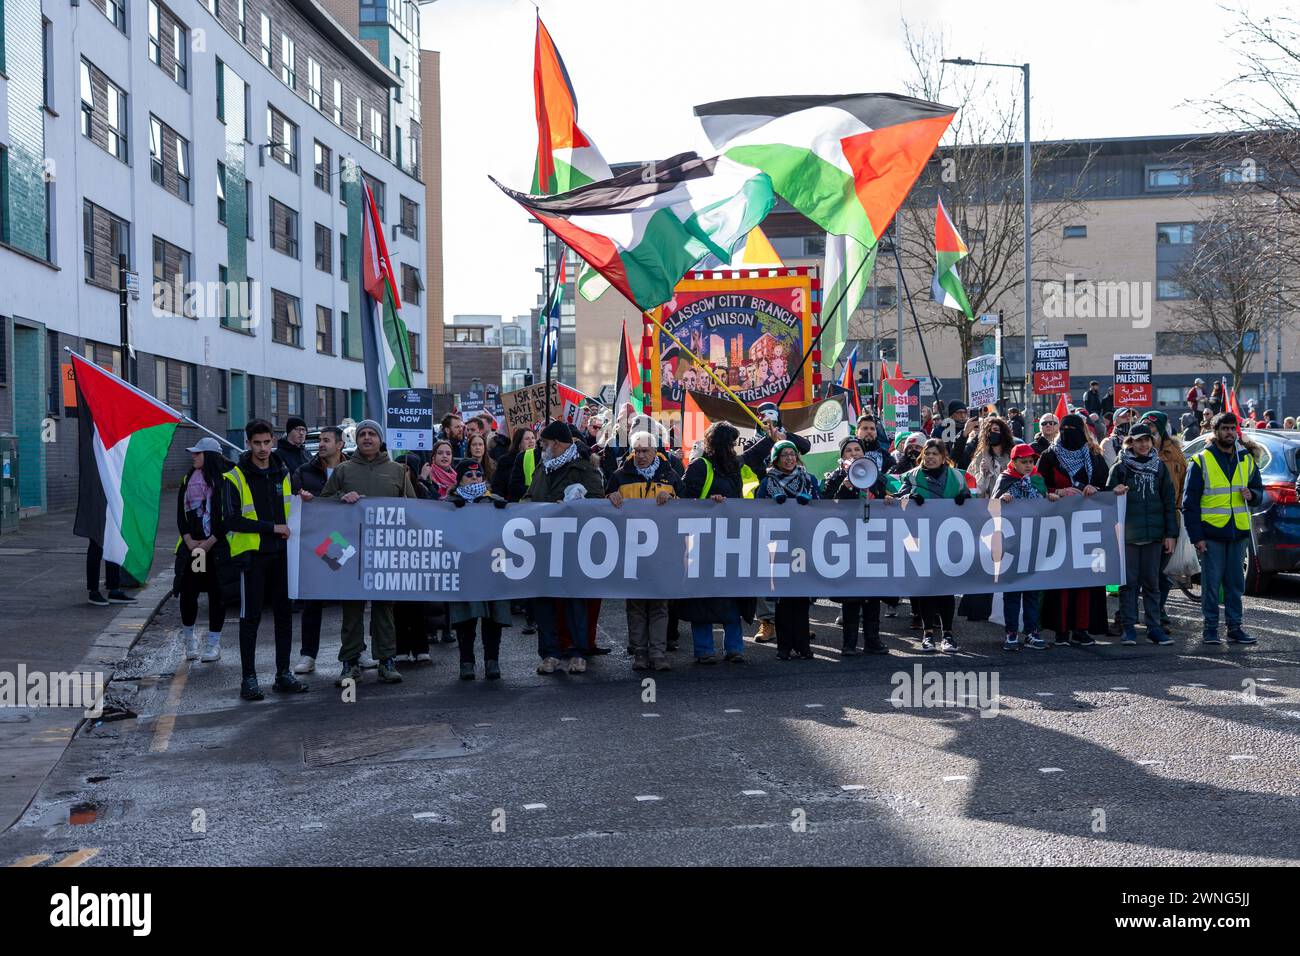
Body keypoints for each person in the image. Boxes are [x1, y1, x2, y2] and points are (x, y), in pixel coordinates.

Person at [319, 419, 417, 686]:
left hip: (385, 550)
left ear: (380, 439)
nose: (366, 438)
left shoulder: (398, 471)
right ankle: (350, 663)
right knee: (351, 609)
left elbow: (415, 510)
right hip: (350, 549)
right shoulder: (342, 471)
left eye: (372, 433)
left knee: (384, 608)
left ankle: (387, 660)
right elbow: (322, 505)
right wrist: (340, 497)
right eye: (362, 433)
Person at [220, 419, 307, 700]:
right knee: (251, 619)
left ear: (273, 441)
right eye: (256, 443)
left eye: (266, 442)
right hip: (252, 558)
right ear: (247, 443)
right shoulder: (233, 477)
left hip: (282, 555)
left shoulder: (282, 472)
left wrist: (303, 499)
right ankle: (249, 679)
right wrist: (272, 528)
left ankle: (283, 674)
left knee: (284, 616)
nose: (262, 448)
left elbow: (291, 509)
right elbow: (231, 519)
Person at [524, 420, 606, 675]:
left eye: (544, 443)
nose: (541, 448)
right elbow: (529, 495)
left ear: (558, 444)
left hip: (573, 545)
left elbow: (596, 502)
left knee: (574, 601)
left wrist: (572, 505)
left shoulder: (583, 469)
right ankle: (549, 654)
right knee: (544, 601)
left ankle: (577, 652)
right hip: (544, 545)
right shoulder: (542, 468)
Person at [1183, 413, 1263, 645]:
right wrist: (1196, 537)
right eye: (1225, 428)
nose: (1229, 432)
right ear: (1215, 431)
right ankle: (1210, 629)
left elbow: (1259, 491)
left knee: (1235, 584)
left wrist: (1253, 494)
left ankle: (1234, 627)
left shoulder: (1245, 458)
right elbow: (1190, 504)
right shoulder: (1201, 460)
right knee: (1211, 585)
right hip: (1211, 534)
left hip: (1238, 533)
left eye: (1232, 428)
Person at [293, 426, 367, 674]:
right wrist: (301, 499)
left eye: (326, 440)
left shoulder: (354, 471)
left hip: (348, 541)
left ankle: (358, 650)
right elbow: (294, 503)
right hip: (316, 542)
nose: (321, 444)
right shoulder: (304, 472)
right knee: (313, 599)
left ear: (340, 445)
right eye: (320, 440)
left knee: (353, 599)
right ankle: (308, 655)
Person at [607, 430, 680, 671]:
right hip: (632, 551)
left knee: (659, 605)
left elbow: (688, 507)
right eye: (636, 451)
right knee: (636, 605)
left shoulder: (671, 476)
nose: (639, 456)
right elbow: (601, 505)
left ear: (655, 452)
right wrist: (610, 496)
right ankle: (640, 653)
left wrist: (672, 497)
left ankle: (658, 653)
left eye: (644, 451)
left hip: (662, 551)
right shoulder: (619, 477)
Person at [680, 422, 754, 664]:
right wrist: (708, 502)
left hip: (730, 540)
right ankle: (704, 649)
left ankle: (734, 648)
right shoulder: (699, 467)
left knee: (731, 595)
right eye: (730, 443)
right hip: (702, 542)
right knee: (702, 597)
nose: (733, 448)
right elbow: (684, 499)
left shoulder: (734, 467)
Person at [1037, 414, 1110, 646]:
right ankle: (1060, 629)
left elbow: (1105, 486)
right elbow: (1037, 486)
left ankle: (1081, 628)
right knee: (1061, 579)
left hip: (1088, 528)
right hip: (1057, 527)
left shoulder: (1095, 455)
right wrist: (1058, 492)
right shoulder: (1049, 456)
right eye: (1066, 428)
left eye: (1074, 428)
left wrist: (1094, 488)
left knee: (1085, 579)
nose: (1070, 432)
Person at [1106, 423, 1176, 646]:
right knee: (1128, 585)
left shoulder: (1160, 467)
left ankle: (1154, 628)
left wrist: (1170, 534)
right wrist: (1113, 491)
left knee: (1152, 584)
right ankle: (1128, 629)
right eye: (1138, 440)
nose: (1144, 444)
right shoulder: (1120, 468)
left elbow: (1168, 501)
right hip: (1127, 537)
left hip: (1154, 536)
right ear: (1131, 442)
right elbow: (1106, 498)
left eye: (1147, 439)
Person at [899, 438, 971, 652]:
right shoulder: (911, 476)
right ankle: (928, 634)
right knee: (926, 588)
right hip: (920, 539)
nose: (930, 457)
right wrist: (909, 496)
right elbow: (897, 499)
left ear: (943, 457)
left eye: (935, 454)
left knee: (946, 588)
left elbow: (971, 498)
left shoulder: (957, 476)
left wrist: (965, 497)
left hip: (948, 539)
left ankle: (947, 634)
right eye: (927, 453)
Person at [826, 436, 892, 655]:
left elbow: (887, 495)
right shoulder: (835, 477)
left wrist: (888, 499)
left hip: (873, 541)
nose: (854, 454)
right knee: (852, 594)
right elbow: (827, 506)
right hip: (848, 541)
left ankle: (873, 640)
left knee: (873, 593)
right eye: (849, 451)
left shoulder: (875, 475)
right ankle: (849, 643)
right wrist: (844, 488)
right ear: (842, 456)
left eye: (857, 450)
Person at [447, 459, 512, 679]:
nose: (474, 480)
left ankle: (492, 660)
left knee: (493, 615)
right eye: (469, 476)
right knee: (465, 616)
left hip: (491, 567)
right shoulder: (448, 504)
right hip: (464, 568)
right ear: (459, 480)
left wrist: (506, 512)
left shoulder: (495, 502)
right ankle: (466, 662)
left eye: (478, 476)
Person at [756, 441, 820, 661]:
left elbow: (820, 506)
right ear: (776, 459)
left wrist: (811, 501)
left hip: (802, 543)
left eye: (793, 454)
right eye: (784, 455)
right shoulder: (767, 482)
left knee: (801, 599)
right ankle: (783, 647)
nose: (789, 458)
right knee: (782, 600)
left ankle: (803, 646)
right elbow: (758, 508)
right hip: (777, 544)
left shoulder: (809, 480)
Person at [992, 444, 1058, 650]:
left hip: (1034, 543)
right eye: (1024, 462)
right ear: (1013, 462)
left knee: (1031, 592)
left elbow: (1041, 502)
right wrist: (1002, 499)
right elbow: (991, 505)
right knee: (1012, 592)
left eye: (1031, 461)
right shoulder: (1005, 479)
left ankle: (1031, 632)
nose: (1028, 465)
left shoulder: (1038, 480)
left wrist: (1049, 497)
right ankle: (1011, 633)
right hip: (1012, 544)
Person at [175, 437, 235, 663]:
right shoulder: (187, 479)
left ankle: (213, 644)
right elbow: (181, 515)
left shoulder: (225, 481)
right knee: (188, 592)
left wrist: (210, 541)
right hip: (193, 548)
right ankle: (189, 640)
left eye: (198, 453)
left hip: (216, 548)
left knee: (216, 594)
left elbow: (228, 516)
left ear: (209, 456)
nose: (193, 456)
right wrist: (189, 540)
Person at [1139, 410, 1188, 630]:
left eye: (1152, 431)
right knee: (1136, 573)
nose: (1148, 436)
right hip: (1140, 521)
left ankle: (1157, 611)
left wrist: (1177, 514)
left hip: (1169, 520)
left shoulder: (1175, 453)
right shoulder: (1131, 453)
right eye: (1145, 430)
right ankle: (1129, 616)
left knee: (1162, 572)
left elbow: (1183, 486)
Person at [966, 415, 1018, 498]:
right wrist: (982, 475)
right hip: (987, 506)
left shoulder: (1013, 456)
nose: (991, 433)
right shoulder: (980, 458)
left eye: (996, 430)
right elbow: (972, 489)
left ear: (1003, 433)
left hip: (1010, 505)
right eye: (988, 431)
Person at [495, 426, 536, 501]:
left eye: (533, 438)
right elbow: (499, 485)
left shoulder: (540, 459)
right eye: (527, 439)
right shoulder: (505, 461)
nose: (531, 441)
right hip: (512, 504)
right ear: (518, 443)